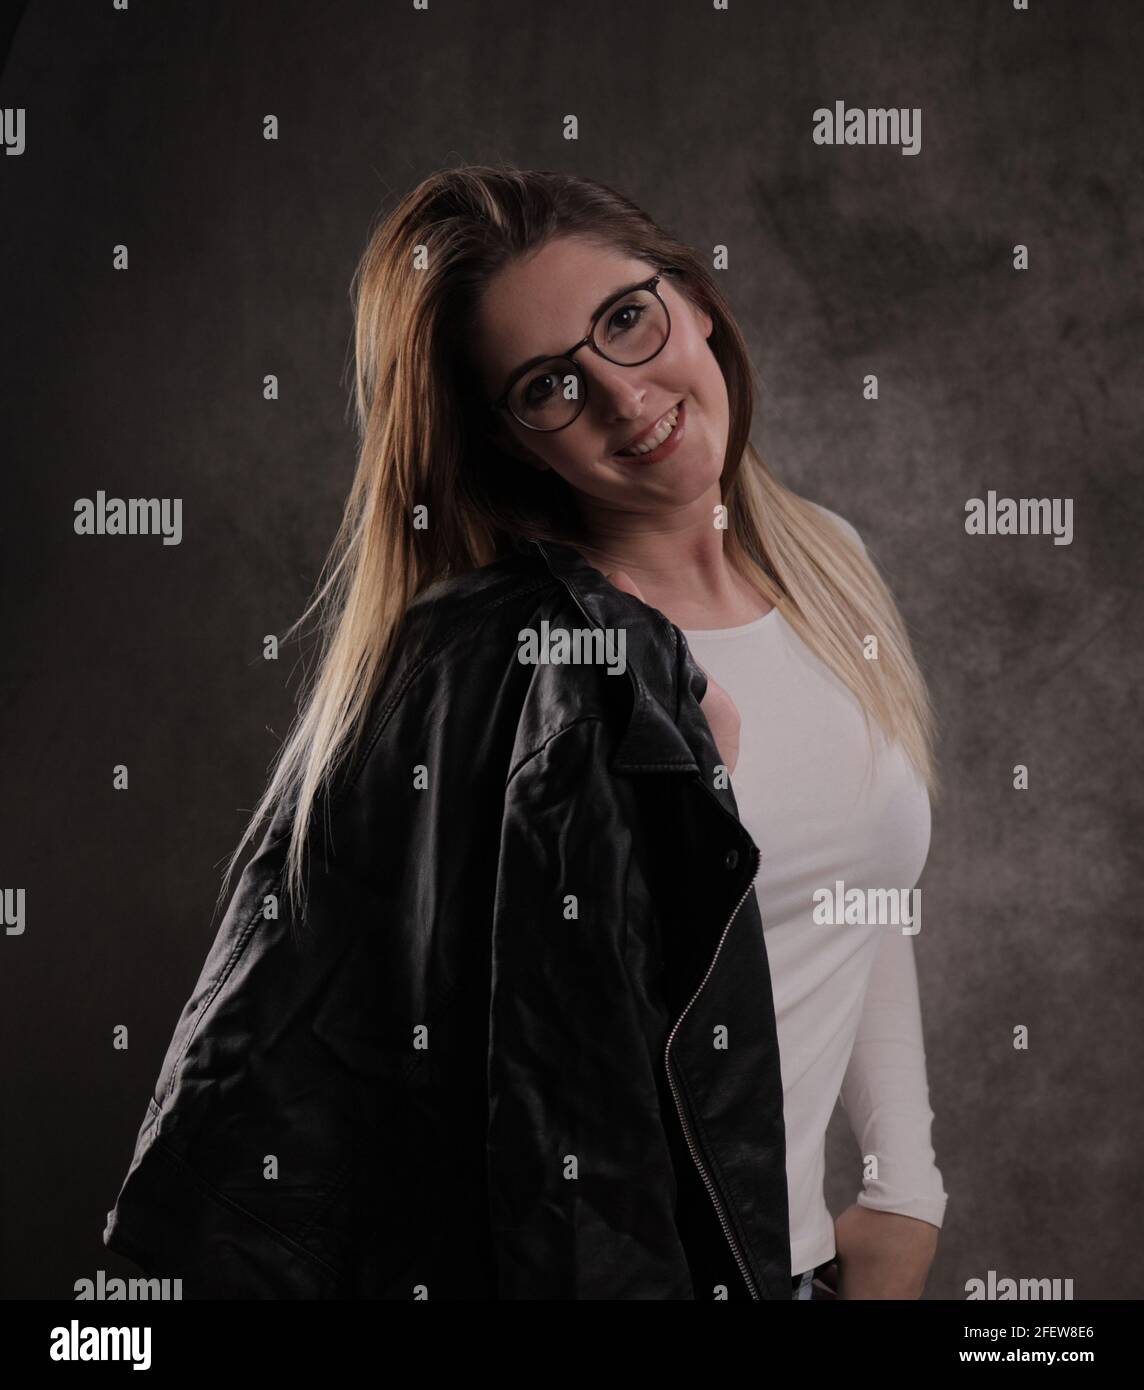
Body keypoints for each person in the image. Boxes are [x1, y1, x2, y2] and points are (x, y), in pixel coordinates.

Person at [102, 164, 946, 1300]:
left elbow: (864, 889)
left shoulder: (825, 563)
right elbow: (460, 1071)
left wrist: (902, 1189)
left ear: (693, 300)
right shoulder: (514, 673)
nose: (621, 395)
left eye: (627, 320)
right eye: (549, 384)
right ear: (510, 444)